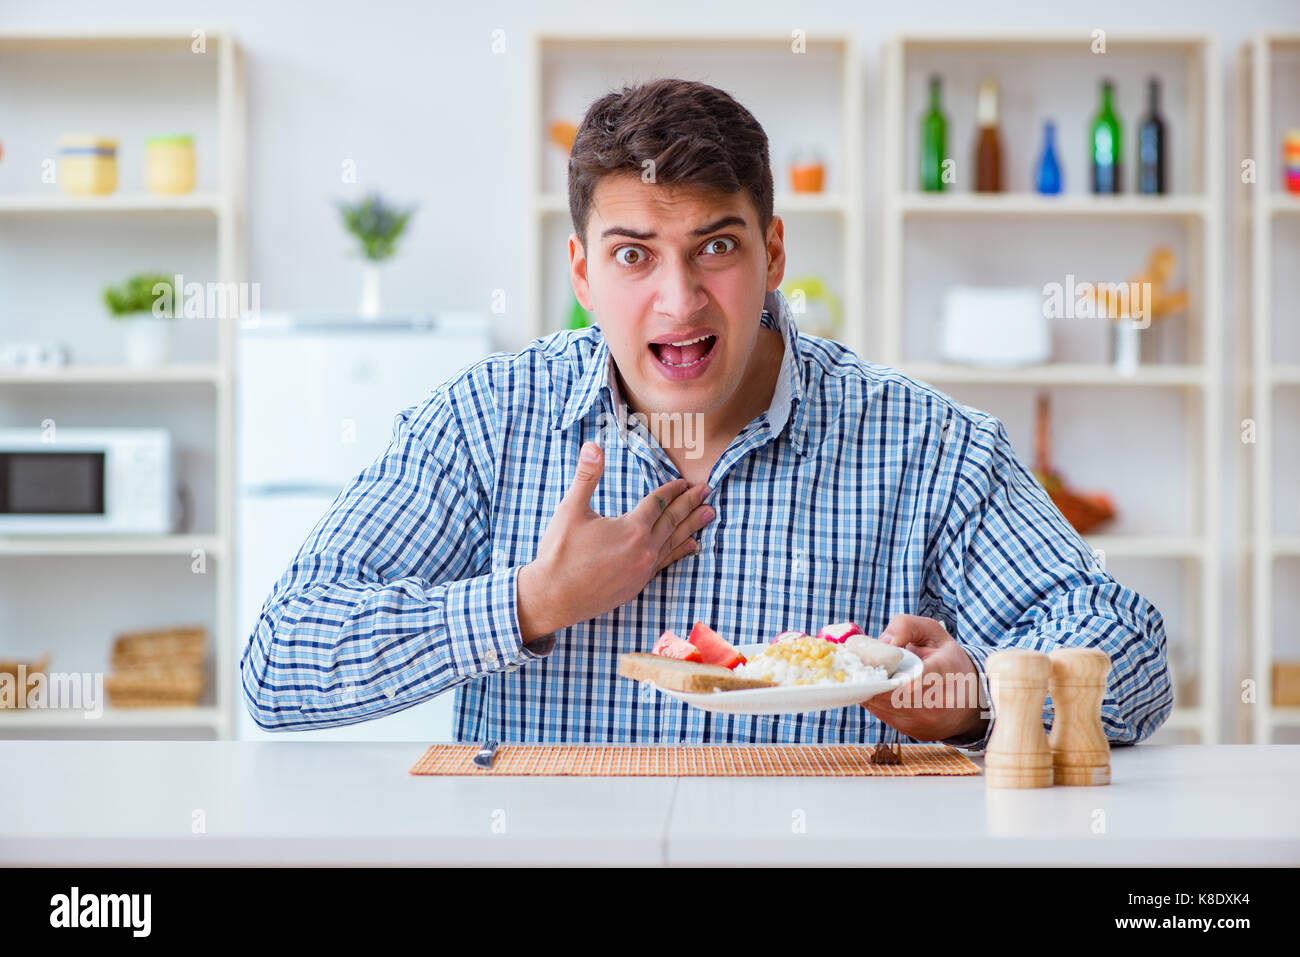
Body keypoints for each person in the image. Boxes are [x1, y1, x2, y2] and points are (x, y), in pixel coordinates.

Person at [241, 78, 1173, 749]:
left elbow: (1132, 658)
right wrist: (532, 601)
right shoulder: (487, 420)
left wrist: (979, 697)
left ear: (773, 254)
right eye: (634, 255)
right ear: (581, 273)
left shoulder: (927, 445)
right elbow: (278, 665)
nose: (680, 302)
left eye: (715, 247)